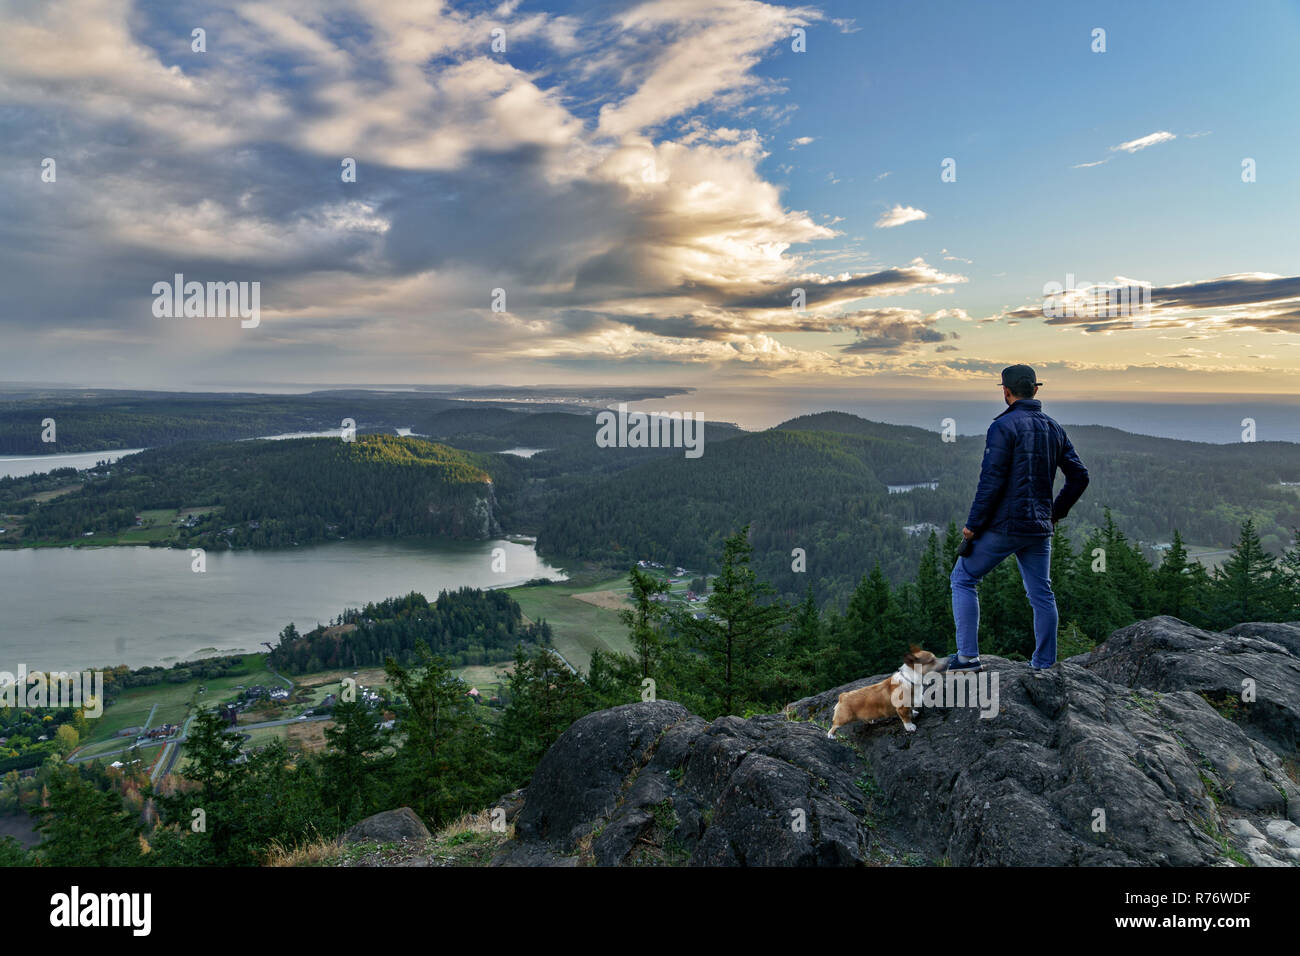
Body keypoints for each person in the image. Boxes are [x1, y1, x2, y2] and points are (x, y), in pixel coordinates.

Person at [949, 365, 1089, 674]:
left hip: (1004, 526)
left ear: (1005, 391)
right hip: (1038, 528)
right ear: (1036, 390)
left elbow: (991, 481)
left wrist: (973, 525)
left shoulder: (1003, 427)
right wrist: (1054, 514)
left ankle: (968, 658)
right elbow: (1079, 477)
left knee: (963, 579)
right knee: (1041, 593)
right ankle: (1044, 664)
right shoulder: (1054, 428)